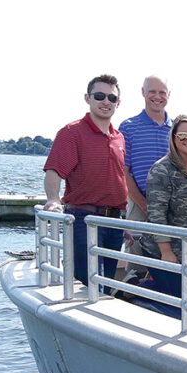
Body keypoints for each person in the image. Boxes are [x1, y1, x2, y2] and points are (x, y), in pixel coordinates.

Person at [43, 74, 127, 287]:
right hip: (83, 218)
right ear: (87, 98)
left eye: (112, 98)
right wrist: (53, 199)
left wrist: (122, 220)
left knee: (108, 283)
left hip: (114, 221)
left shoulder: (119, 138)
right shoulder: (72, 133)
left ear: (118, 103)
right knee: (85, 282)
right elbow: (54, 170)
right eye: (99, 96)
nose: (106, 102)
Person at [140, 115, 187, 300]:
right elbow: (156, 215)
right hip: (168, 249)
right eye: (182, 135)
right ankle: (138, 289)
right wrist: (166, 252)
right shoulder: (162, 169)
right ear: (173, 138)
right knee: (181, 298)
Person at [119, 76, 172, 231]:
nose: (157, 96)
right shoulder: (128, 127)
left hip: (173, 207)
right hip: (139, 205)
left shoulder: (178, 129)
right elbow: (124, 172)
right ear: (143, 92)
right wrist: (144, 205)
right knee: (135, 252)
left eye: (162, 92)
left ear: (169, 94)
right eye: (152, 91)